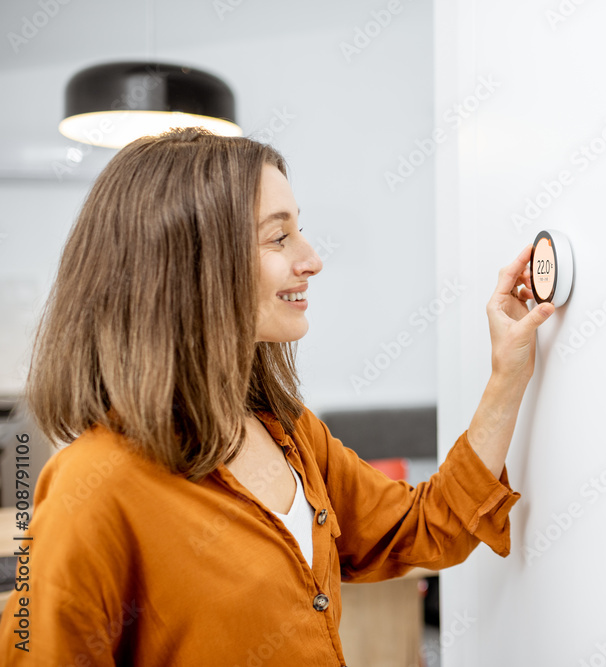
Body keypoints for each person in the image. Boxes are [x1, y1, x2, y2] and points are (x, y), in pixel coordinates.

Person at [0, 127, 554, 665]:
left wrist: (507, 373)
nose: (312, 258)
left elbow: (428, 526)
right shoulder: (94, 488)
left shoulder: (288, 433)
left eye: (300, 231)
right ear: (193, 265)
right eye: (278, 236)